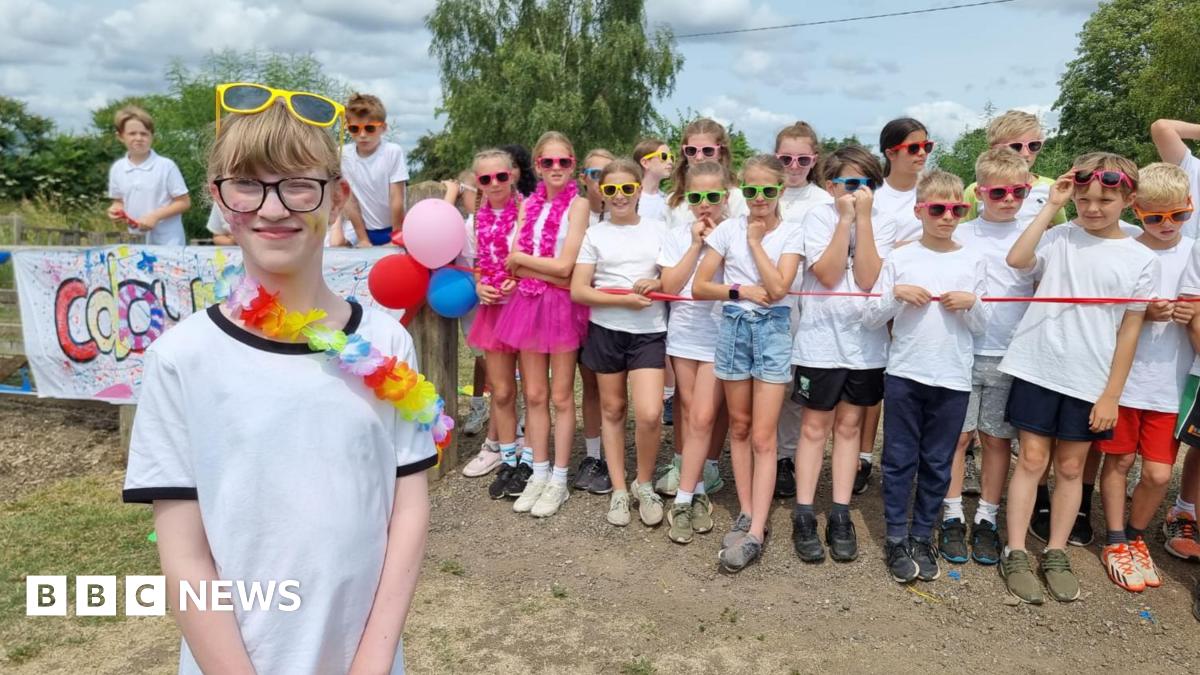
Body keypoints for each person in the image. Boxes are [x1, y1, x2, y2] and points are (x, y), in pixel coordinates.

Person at [123, 92, 444, 674]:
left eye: (299, 183)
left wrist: (372, 662)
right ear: (218, 199)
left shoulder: (386, 345)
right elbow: (184, 552)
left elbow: (409, 509)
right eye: (247, 183)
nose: (273, 208)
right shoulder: (182, 359)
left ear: (337, 195)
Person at [998, 153, 1159, 605]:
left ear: (1128, 199)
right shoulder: (1060, 237)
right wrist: (1052, 205)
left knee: (1070, 468)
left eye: (1105, 199)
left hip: (1088, 377)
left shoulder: (1139, 258)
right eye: (1085, 198)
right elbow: (1017, 258)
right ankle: (1014, 551)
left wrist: (1112, 395)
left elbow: (1129, 333)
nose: (1092, 207)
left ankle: (1054, 552)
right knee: (1031, 461)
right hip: (1037, 365)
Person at [863, 170, 987, 583]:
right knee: (899, 460)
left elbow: (983, 326)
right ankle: (896, 537)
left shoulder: (973, 259)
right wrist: (894, 295)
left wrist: (972, 303)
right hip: (905, 372)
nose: (947, 216)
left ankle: (922, 535)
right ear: (920, 211)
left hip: (953, 377)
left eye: (957, 209)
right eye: (938, 208)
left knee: (938, 462)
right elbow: (870, 317)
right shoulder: (901, 258)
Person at [693, 155, 805, 572]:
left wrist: (756, 242)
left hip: (774, 333)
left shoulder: (792, 232)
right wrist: (738, 291)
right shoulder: (726, 229)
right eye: (752, 190)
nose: (760, 198)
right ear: (743, 189)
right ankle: (745, 511)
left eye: (768, 190)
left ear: (781, 191)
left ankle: (757, 528)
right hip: (734, 328)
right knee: (738, 427)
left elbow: (777, 289)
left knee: (763, 435)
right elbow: (703, 287)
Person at [790, 146, 893, 564]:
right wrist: (845, 219)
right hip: (819, 343)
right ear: (831, 187)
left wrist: (863, 220)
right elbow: (830, 273)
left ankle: (840, 512)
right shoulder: (816, 218)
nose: (859, 192)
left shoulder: (882, 222)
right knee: (815, 428)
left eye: (868, 184)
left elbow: (868, 277)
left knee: (850, 427)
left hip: (865, 348)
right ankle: (802, 514)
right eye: (850, 185)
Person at [1095, 162, 1195, 593]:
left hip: (1171, 384)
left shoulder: (1194, 250)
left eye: (1179, 215)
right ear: (1136, 210)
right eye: (1155, 217)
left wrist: (1192, 316)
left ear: (1191, 208)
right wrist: (1142, 311)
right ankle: (1116, 539)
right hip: (1126, 380)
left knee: (1156, 474)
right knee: (1118, 460)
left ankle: (1137, 534)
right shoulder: (1123, 249)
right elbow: (1102, 311)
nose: (1167, 225)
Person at [938, 148, 1037, 566]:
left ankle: (988, 517)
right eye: (998, 192)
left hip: (1010, 353)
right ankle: (951, 513)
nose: (1009, 199)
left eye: (1017, 191)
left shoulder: (1037, 231)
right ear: (979, 192)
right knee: (958, 437)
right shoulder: (962, 231)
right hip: (961, 349)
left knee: (997, 440)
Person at [494, 131, 591, 518]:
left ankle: (560, 479)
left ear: (573, 164)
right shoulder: (527, 206)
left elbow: (567, 268)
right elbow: (515, 264)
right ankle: (538, 472)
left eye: (563, 162)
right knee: (534, 394)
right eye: (547, 162)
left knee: (562, 396)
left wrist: (521, 261)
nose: (555, 168)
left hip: (562, 308)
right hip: (527, 303)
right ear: (536, 165)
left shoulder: (579, 205)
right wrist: (521, 267)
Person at [571, 158, 669, 528]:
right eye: (611, 189)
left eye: (627, 188)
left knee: (649, 413)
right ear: (601, 192)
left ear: (639, 190)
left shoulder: (659, 228)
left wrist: (658, 284)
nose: (619, 196)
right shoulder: (595, 234)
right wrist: (623, 300)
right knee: (612, 410)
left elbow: (672, 276)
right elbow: (580, 291)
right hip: (606, 330)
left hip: (648, 332)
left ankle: (643, 483)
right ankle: (617, 489)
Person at [659, 160, 734, 544]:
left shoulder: (736, 232)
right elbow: (670, 284)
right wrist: (694, 244)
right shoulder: (676, 234)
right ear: (686, 198)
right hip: (684, 334)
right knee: (689, 412)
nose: (705, 205)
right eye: (696, 196)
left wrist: (717, 241)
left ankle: (686, 498)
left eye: (712, 196)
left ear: (726, 195)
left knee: (704, 416)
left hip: (720, 335)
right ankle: (698, 489)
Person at [773, 120, 835, 498]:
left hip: (807, 307)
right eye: (785, 158)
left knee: (798, 387)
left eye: (801, 159)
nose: (793, 166)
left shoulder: (824, 202)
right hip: (765, 302)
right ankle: (767, 454)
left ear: (814, 160)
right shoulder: (761, 194)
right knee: (771, 386)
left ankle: (788, 458)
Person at [461, 149, 525, 498]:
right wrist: (480, 285)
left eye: (501, 176)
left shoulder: (527, 213)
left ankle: (532, 458)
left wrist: (521, 278)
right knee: (500, 390)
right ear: (478, 183)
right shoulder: (473, 222)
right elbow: (474, 265)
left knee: (533, 389)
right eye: (486, 179)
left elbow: (538, 256)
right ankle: (506, 455)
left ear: (512, 175)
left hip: (527, 310)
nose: (495, 184)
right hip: (494, 312)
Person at [571, 148, 615, 493]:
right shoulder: (573, 212)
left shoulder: (622, 216)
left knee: (599, 386)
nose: (600, 181)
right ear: (583, 178)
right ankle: (591, 454)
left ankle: (602, 457)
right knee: (568, 388)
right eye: (594, 173)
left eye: (606, 173)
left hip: (602, 314)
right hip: (566, 308)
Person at [963, 110, 1069, 226]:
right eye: (1015, 147)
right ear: (994, 150)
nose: (1026, 153)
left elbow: (1061, 231)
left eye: (1033, 145)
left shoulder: (1051, 188)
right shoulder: (976, 190)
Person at [106, 105, 191, 245]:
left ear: (152, 136)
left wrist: (155, 216)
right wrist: (116, 210)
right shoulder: (117, 168)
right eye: (132, 133)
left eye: (144, 133)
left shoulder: (166, 166)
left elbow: (184, 202)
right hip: (135, 240)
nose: (139, 138)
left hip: (168, 242)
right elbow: (119, 200)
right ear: (120, 136)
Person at [342, 92, 407, 247]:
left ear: (383, 128)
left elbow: (396, 198)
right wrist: (363, 238)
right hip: (365, 230)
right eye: (354, 129)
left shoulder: (392, 152)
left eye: (370, 128)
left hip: (394, 229)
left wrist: (396, 237)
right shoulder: (344, 155)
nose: (362, 135)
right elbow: (349, 201)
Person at [666, 118, 749, 230]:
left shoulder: (738, 198)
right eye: (691, 150)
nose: (699, 157)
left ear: (721, 153)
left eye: (708, 150)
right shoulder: (673, 201)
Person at [634, 138, 674, 222]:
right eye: (664, 156)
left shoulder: (668, 200)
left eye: (671, 157)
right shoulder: (630, 199)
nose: (670, 161)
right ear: (645, 163)